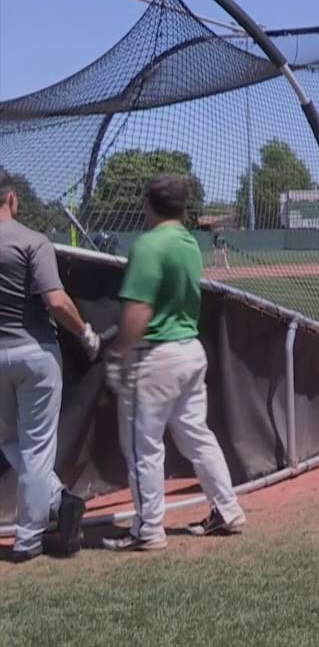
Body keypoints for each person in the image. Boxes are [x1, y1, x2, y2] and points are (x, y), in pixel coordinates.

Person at [102, 175, 246, 552]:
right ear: (182, 207)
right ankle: (227, 510)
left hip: (155, 356)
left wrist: (118, 352)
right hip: (189, 351)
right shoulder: (188, 243)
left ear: (149, 204)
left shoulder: (149, 244)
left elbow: (138, 309)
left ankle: (148, 529)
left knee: (142, 447)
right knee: (197, 436)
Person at [0, 170, 98, 561]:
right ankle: (29, 539)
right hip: (35, 353)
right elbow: (56, 301)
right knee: (37, 449)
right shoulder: (30, 240)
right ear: (11, 198)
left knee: (11, 442)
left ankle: (59, 500)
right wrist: (86, 333)